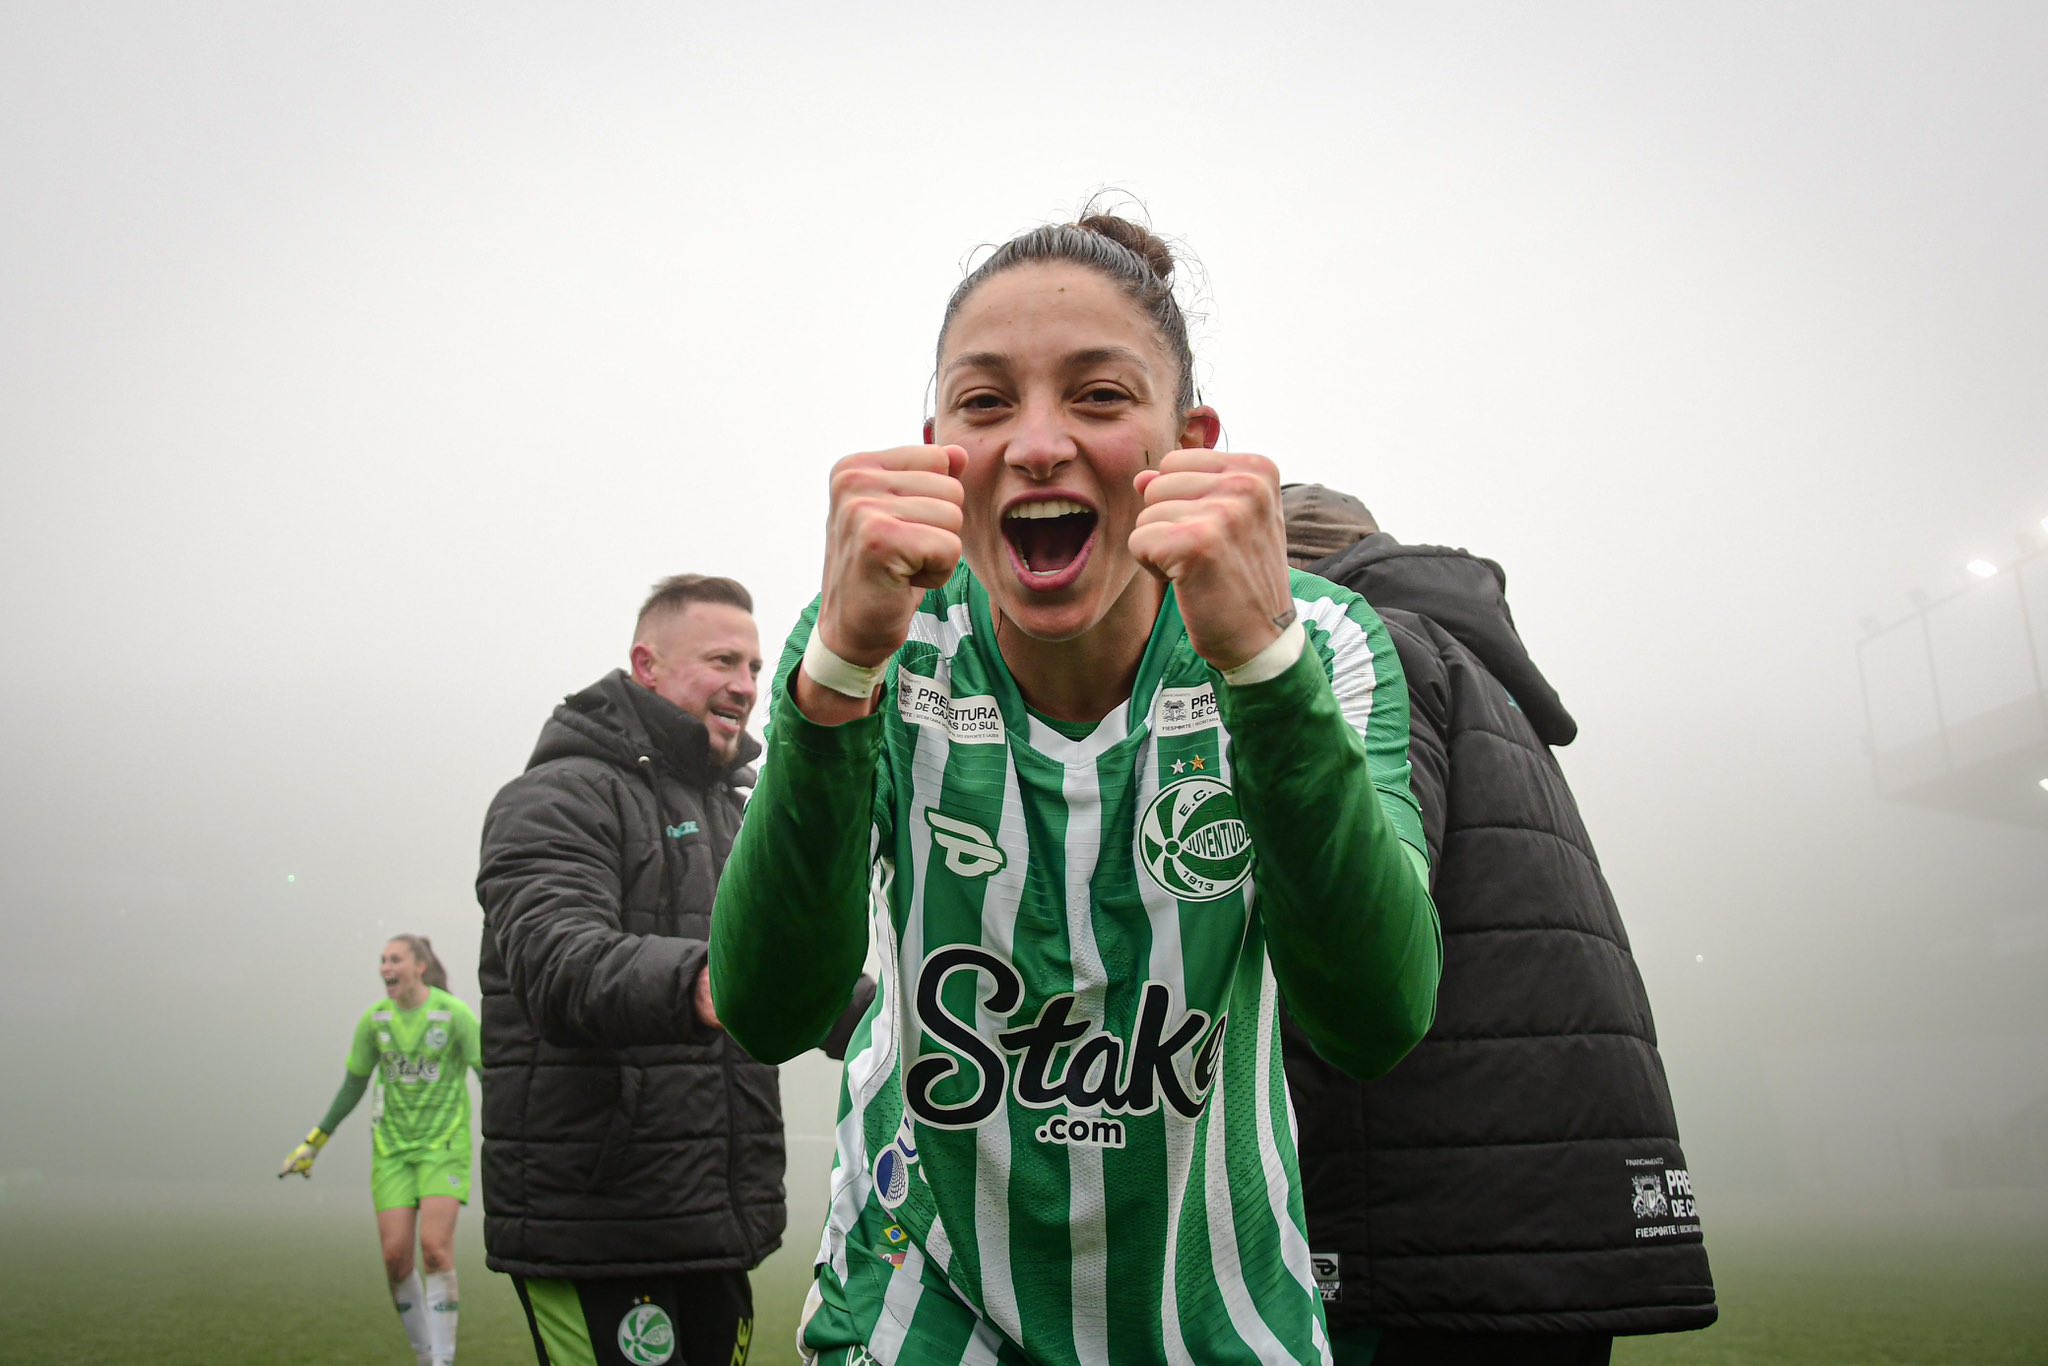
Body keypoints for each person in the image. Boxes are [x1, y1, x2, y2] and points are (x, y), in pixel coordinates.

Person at [708, 212, 1444, 1366]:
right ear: (933, 449)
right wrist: (836, 675)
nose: (1038, 443)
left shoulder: (1320, 641)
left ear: (1187, 443)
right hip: (916, 1308)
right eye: (986, 403)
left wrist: (1261, 666)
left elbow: (1375, 1016)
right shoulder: (880, 642)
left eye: (1098, 397)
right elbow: (769, 1006)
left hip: (1215, 1320)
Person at [1278, 485, 1717, 1365]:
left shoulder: (1376, 655)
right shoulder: (1486, 683)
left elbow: (1352, 924)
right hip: (1542, 1204)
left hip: (1419, 1212)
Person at [476, 573, 875, 1366]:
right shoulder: (555, 797)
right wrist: (726, 982)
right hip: (601, 1224)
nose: (746, 686)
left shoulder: (741, 812)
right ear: (645, 665)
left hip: (718, 1223)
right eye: (723, 660)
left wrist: (901, 1025)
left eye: (758, 669)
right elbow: (560, 964)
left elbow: (790, 976)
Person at [279, 933, 480, 1366]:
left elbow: (489, 1075)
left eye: (395, 959)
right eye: (382, 960)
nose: (386, 967)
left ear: (419, 967)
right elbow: (354, 1085)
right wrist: (314, 1143)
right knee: (395, 1258)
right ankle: (425, 1355)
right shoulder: (375, 1022)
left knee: (435, 1249)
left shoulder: (453, 1015)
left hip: (443, 1146)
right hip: (392, 1152)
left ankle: (442, 1361)